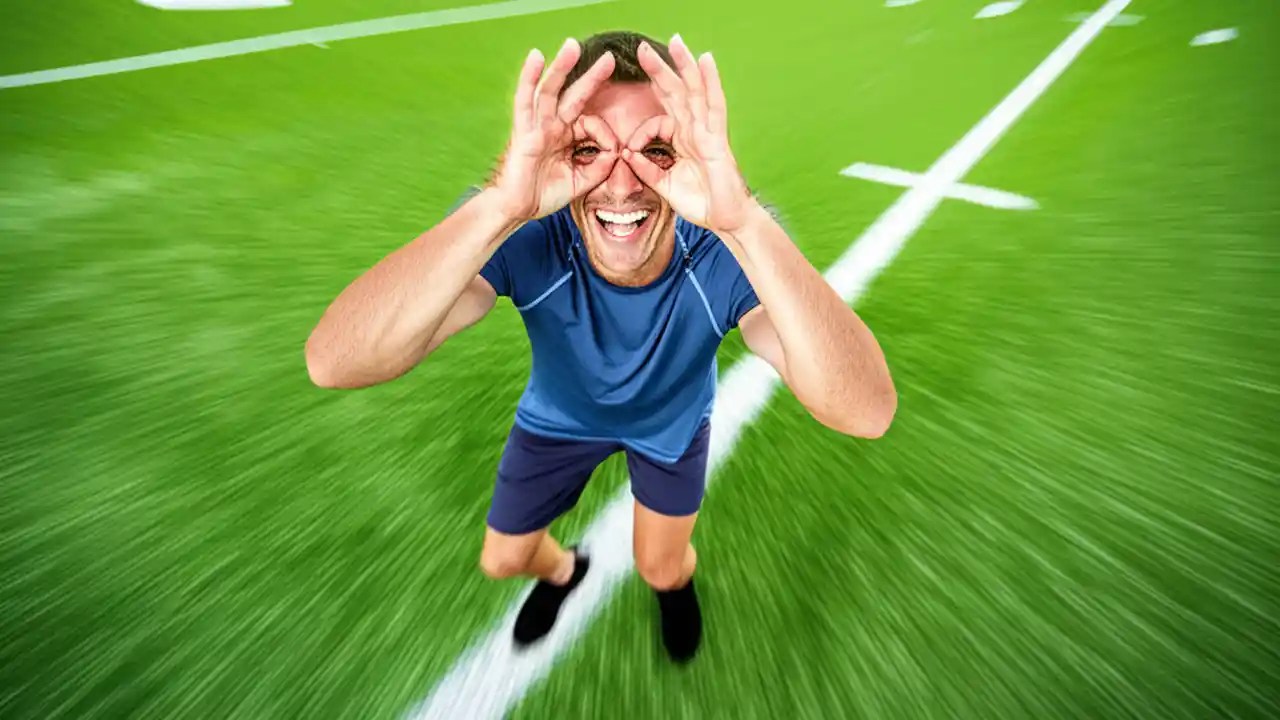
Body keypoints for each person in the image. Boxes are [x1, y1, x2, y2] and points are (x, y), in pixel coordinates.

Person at [304, 30, 896, 663]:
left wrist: (744, 221)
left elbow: (863, 410)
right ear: (558, 150)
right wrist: (500, 206)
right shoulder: (522, 225)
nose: (621, 184)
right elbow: (337, 361)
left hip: (669, 427)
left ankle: (674, 589)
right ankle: (565, 571)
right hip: (560, 418)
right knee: (504, 558)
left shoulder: (727, 242)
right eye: (588, 149)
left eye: (655, 149)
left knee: (661, 567)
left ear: (690, 151)